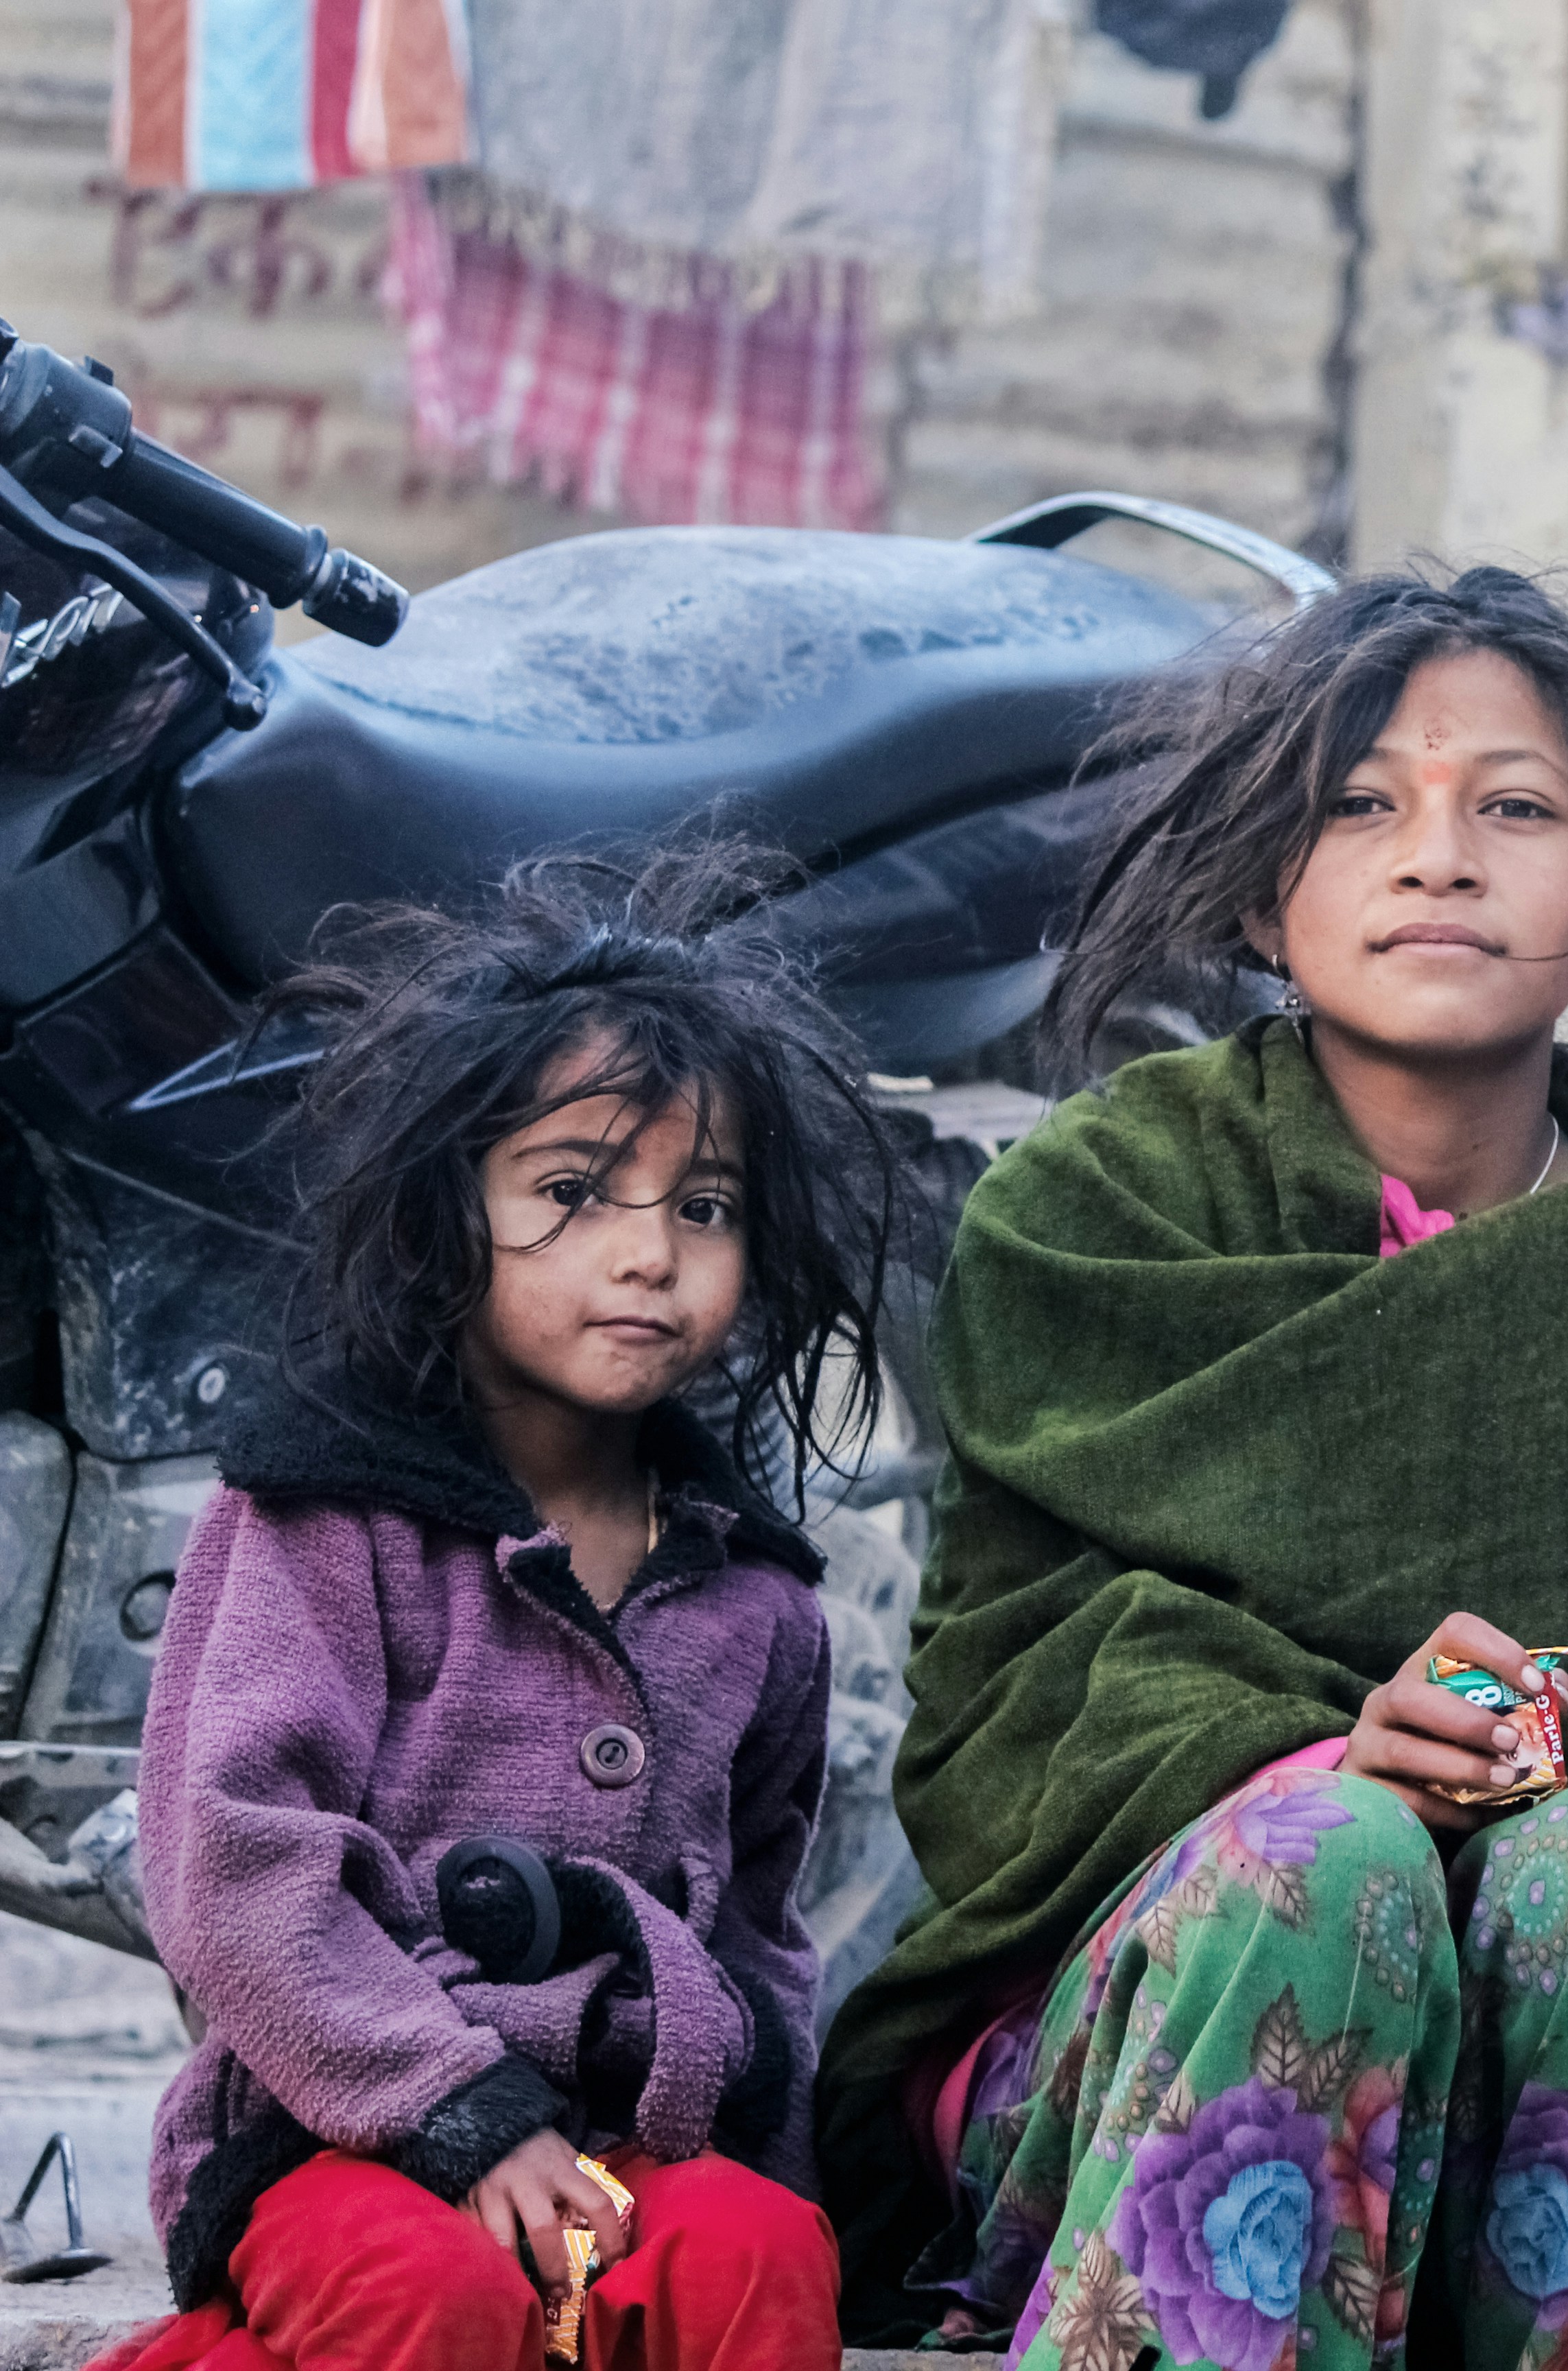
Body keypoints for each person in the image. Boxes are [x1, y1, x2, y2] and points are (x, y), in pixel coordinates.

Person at [807, 567, 1568, 2368]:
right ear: (1257, 888)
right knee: (1337, 1859)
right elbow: (1006, 1716)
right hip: (1143, 2023)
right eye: (1362, 805)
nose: (1435, 856)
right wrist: (1314, 1757)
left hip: (1558, 2041)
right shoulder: (1098, 1212)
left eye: (1512, 808)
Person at [99, 846, 907, 2371]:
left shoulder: (752, 1601)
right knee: (438, 2298)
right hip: (339, 2124)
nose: (650, 1252)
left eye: (708, 1203)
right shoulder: (321, 1520)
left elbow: (759, 1938)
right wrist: (457, 2116)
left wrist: (766, 2159)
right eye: (572, 1191)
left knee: (759, 2259)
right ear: (442, 1210)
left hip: (633, 2138)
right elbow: (237, 1876)